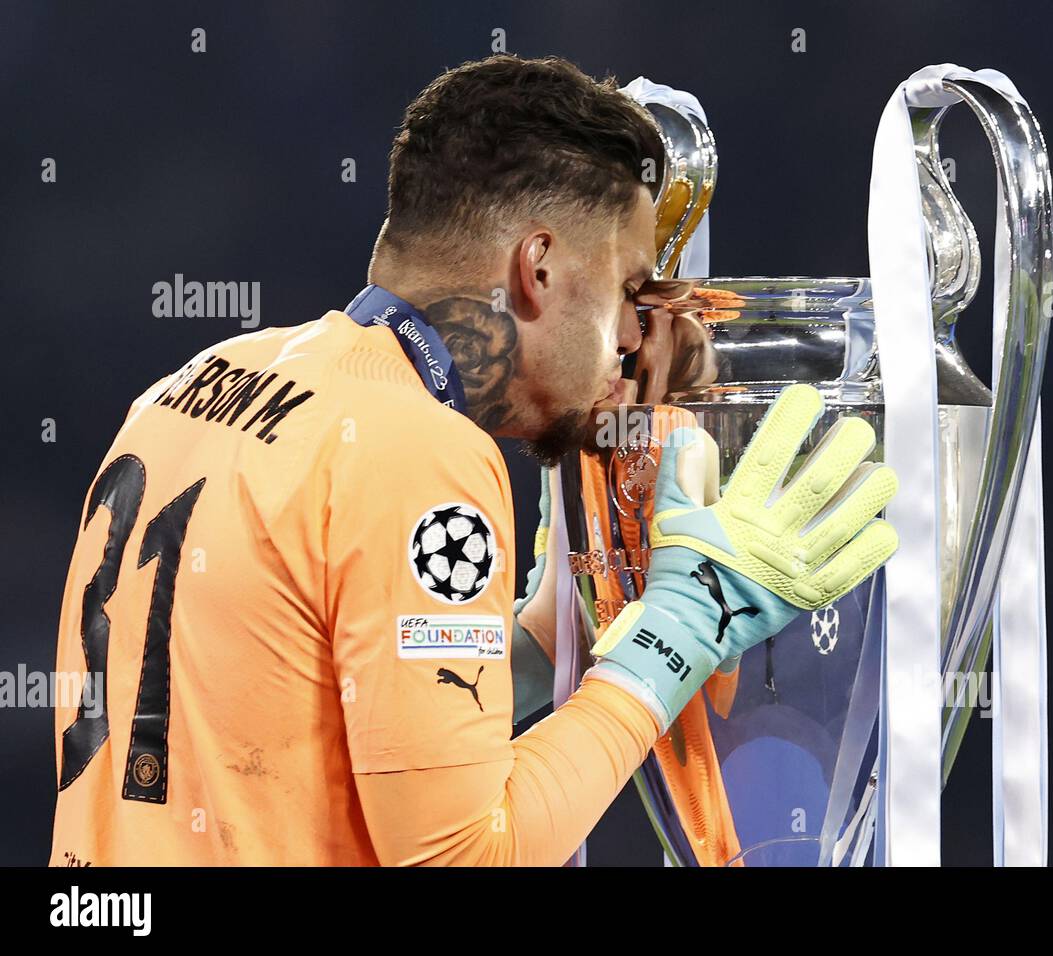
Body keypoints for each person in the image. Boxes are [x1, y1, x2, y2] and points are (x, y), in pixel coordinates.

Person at [48, 54, 899, 866]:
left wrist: (528, 651)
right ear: (539, 267)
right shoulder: (417, 447)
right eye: (630, 289)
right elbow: (465, 854)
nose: (641, 334)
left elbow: (273, 708)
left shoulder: (188, 386)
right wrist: (685, 627)